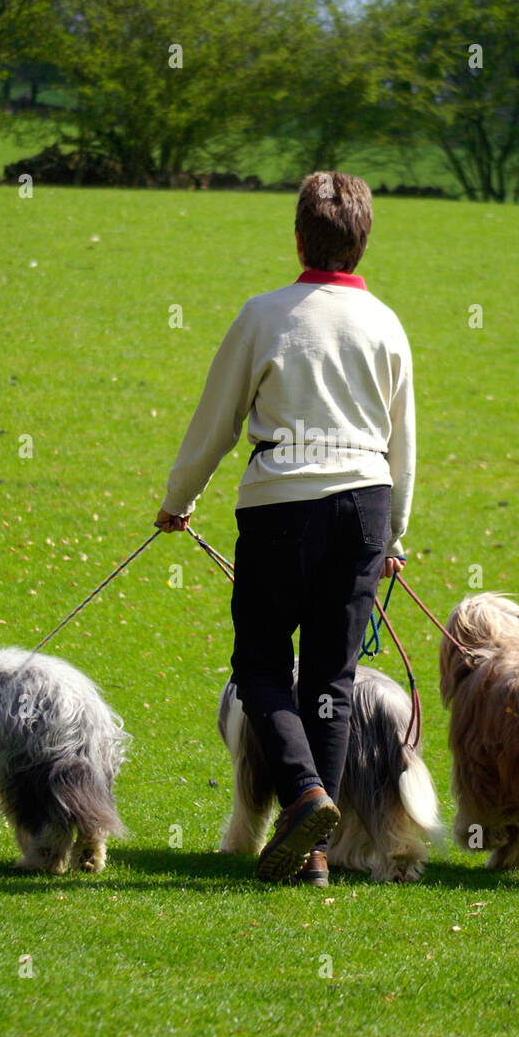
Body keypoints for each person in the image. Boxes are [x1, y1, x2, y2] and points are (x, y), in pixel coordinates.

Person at [155, 172, 415, 885]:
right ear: (363, 240)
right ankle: (315, 856)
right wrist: (392, 537)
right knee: (333, 675)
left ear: (299, 237)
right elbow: (403, 443)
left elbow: (217, 420)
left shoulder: (264, 314)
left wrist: (178, 501)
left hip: (279, 505)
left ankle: (304, 799)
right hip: (362, 506)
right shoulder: (387, 324)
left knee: (261, 667)